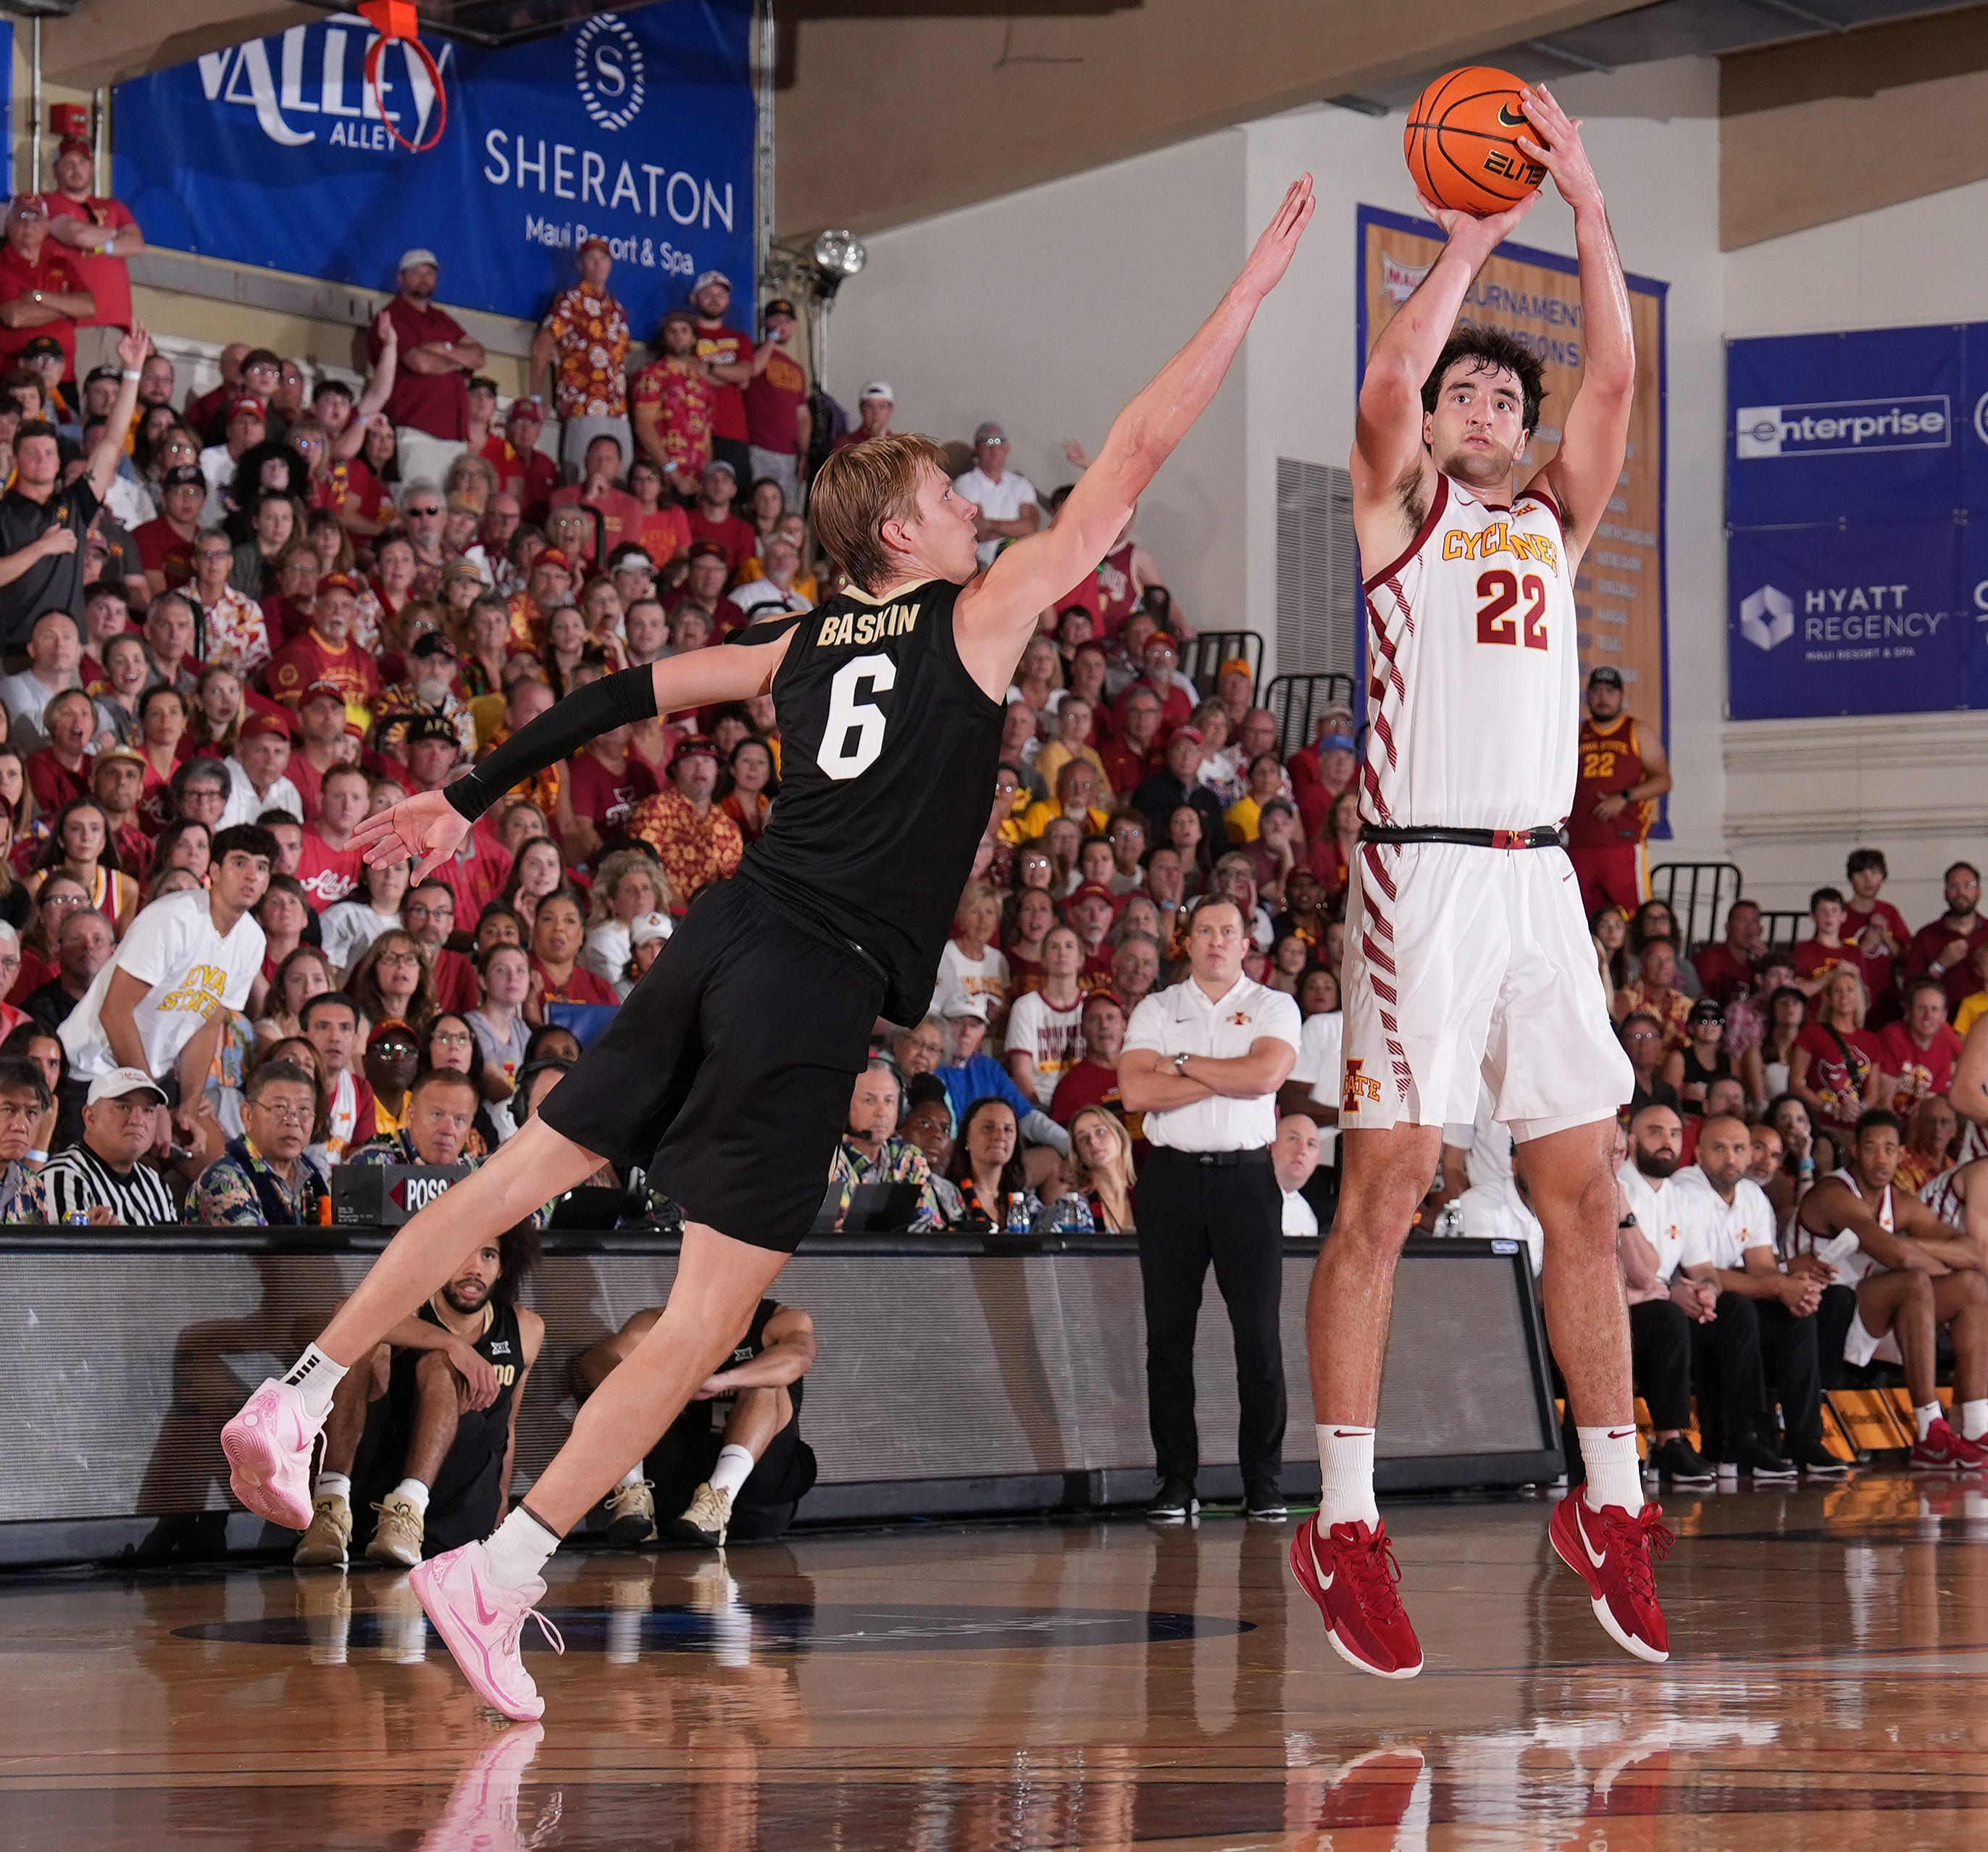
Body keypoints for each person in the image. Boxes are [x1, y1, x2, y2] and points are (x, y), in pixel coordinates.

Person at [218, 178, 1315, 1722]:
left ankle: (299, 1393)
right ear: (899, 531)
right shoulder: (973, 620)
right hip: (812, 973)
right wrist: (1246, 302)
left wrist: (462, 794)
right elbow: (1130, 455)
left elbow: (623, 695)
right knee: (712, 1313)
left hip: (720, 929)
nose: (973, 511)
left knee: (512, 1180)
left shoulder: (803, 642)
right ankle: (502, 1568)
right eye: (950, 496)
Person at [1297, 90, 1667, 1679]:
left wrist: (1587, 211)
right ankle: (1345, 1519)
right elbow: (1384, 378)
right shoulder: (1402, 516)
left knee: (1580, 1197)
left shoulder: (1549, 527)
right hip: (1417, 884)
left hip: (1535, 892)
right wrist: (1476, 234)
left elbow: (1615, 380)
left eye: (1500, 399)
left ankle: (1609, 1503)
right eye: (1465, 393)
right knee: (1385, 1190)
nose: (1483, 408)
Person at [1118, 895, 1299, 1521]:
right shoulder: (1158, 1006)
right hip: (1169, 1183)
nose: (1216, 941)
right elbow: (1136, 1089)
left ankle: (1264, 1482)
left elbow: (1266, 1078)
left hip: (1246, 1182)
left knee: (1258, 1337)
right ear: (1185, 942)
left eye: (1228, 931)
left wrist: (1185, 1065)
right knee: (1168, 1338)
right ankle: (1176, 1481)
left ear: (1246, 943)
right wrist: (1230, 1072)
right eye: (1204, 931)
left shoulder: (1273, 1005)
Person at [296, 1224, 543, 1570]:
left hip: (464, 1500)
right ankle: (332, 1506)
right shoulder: (414, 1307)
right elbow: (345, 1315)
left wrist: (503, 1508)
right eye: (462, 1253)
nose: (474, 1268)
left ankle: (406, 1513)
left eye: (487, 1255)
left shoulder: (525, 1328)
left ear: (501, 1267)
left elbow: (509, 1427)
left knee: (443, 1370)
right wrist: (451, 1343)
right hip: (390, 1482)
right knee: (372, 1346)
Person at [1797, 1109, 1988, 1469]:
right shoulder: (1834, 1193)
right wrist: (1914, 1251)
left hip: (1872, 1315)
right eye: (1871, 1148)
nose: (1881, 1158)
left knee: (1972, 1286)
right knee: (1913, 1281)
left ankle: (1977, 1428)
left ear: (1902, 1154)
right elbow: (1897, 1256)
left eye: (1889, 1149)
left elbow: (1973, 1253)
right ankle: (1930, 1430)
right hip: (1817, 1312)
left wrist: (1920, 1249)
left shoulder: (1899, 1202)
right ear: (1855, 1150)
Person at [59, 827, 273, 1148]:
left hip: (153, 1074)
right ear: (213, 871)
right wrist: (152, 1105)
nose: (252, 875)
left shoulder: (253, 940)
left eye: (262, 867)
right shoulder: (173, 918)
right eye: (240, 863)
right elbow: (115, 1012)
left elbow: (207, 1024)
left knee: (219, 1169)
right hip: (93, 1066)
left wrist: (188, 1105)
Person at [580, 1295, 818, 1550]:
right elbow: (596, 1359)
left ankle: (719, 1496)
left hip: (756, 1495)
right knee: (619, 1380)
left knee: (764, 1384)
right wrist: (652, 1387)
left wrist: (725, 1381)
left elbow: (801, 1356)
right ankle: (633, 1496)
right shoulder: (663, 1321)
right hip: (680, 1491)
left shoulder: (780, 1321)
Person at [1672, 1114, 1839, 1474]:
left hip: (1729, 1306)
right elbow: (1704, 1274)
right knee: (1738, 1309)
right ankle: (1743, 1440)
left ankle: (1804, 1440)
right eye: (1719, 1148)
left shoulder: (1751, 1195)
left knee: (1797, 1316)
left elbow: (1762, 1267)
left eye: (1738, 1149)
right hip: (1688, 1307)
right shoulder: (1686, 1190)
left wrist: (1793, 1292)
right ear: (1699, 1154)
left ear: (1749, 1155)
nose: (1730, 1158)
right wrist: (1780, 1285)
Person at [0, 323, 149, 647]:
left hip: (68, 655)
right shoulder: (3, 513)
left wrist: (133, 373)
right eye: (31, 452)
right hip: (11, 655)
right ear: (14, 461)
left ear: (58, 462)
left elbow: (110, 442)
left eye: (49, 453)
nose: (42, 459)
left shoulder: (74, 506)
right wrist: (42, 547)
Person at [1564, 665, 1670, 920]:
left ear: (1622, 697)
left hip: (1622, 844)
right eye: (1597, 690)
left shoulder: (1637, 731)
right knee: (1580, 921)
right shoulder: (1576, 734)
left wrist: (1623, 798)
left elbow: (1663, 780)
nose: (1603, 697)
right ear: (1587, 696)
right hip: (1579, 844)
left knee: (1635, 920)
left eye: (1610, 691)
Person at [372, 249, 484, 487]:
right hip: (415, 432)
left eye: (429, 273)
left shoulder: (441, 318)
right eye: (416, 273)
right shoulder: (392, 316)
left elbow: (478, 357)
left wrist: (441, 349)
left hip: (455, 436)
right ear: (401, 279)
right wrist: (457, 359)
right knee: (416, 507)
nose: (424, 278)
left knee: (449, 513)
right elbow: (420, 363)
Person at [10, 1064, 176, 1225]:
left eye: (148, 1110)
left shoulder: (153, 1181)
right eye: (123, 1107)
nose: (138, 1120)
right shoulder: (63, 1176)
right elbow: (65, 1250)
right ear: (90, 1117)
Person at [43, 137, 145, 380]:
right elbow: (79, 235)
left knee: (117, 405)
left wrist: (103, 246)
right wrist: (116, 234)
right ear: (55, 170)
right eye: (68, 163)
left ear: (91, 169)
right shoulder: (49, 203)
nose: (76, 169)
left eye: (82, 162)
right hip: (75, 326)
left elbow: (137, 244)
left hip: (117, 328)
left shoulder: (113, 206)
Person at [530, 238, 631, 480]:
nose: (598, 265)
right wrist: (535, 395)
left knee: (620, 480)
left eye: (604, 259)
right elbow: (542, 345)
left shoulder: (616, 308)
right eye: (591, 259)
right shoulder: (570, 301)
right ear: (580, 265)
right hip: (583, 404)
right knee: (582, 477)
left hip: (617, 410)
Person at [187, 1057, 328, 1225]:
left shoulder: (310, 1178)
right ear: (248, 1116)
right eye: (279, 1107)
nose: (293, 1121)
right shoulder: (222, 1180)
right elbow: (257, 1250)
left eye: (303, 1109)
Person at [826, 1061, 943, 1232]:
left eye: (889, 1101)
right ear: (844, 1105)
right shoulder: (829, 1157)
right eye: (869, 1100)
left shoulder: (909, 1157)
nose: (881, 1112)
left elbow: (929, 1226)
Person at [743, 299, 811, 509]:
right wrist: (770, 341)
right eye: (776, 319)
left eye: (787, 321)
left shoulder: (798, 369)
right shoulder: (752, 353)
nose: (782, 325)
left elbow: (803, 416)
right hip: (759, 447)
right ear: (765, 322)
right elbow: (752, 370)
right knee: (758, 507)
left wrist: (803, 453)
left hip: (789, 454)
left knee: (787, 511)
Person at [953, 421, 1040, 570]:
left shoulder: (1021, 484)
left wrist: (990, 525)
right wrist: (1015, 529)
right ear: (976, 448)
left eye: (999, 442)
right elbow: (978, 531)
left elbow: (1031, 527)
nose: (994, 449)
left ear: (1007, 448)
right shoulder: (965, 483)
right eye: (987, 442)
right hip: (980, 567)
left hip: (1019, 566)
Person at [1274, 1111, 1324, 1238]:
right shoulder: (1243, 1197)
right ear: (1270, 1145)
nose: (1302, 1150)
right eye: (1293, 1139)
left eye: (1311, 1144)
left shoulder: (1307, 1216)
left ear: (1316, 1161)